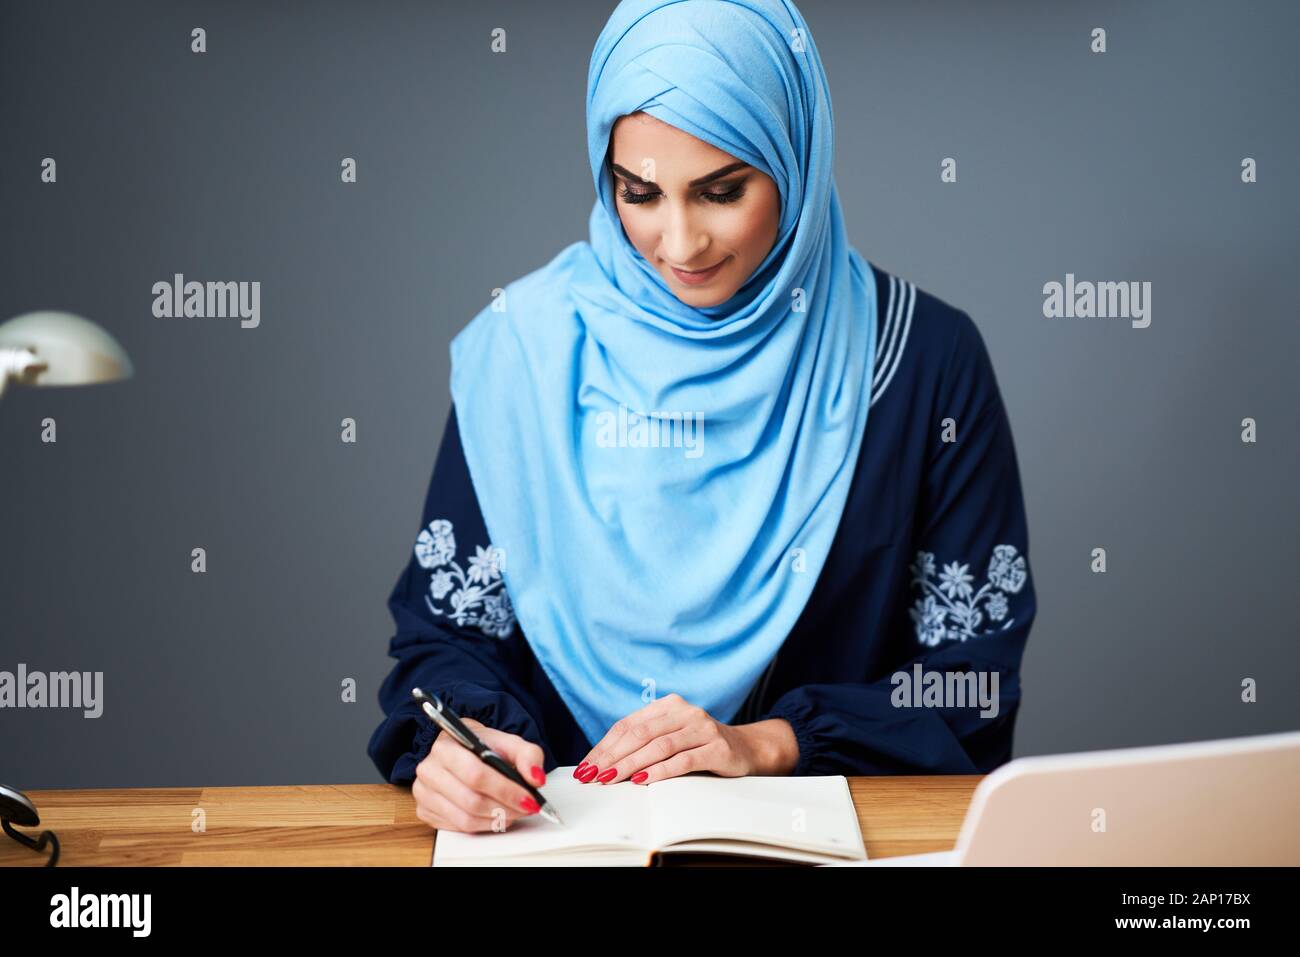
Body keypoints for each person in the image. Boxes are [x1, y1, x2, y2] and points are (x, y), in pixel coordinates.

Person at [368, 0, 1036, 835]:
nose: (679, 244)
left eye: (722, 191)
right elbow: (447, 641)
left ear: (796, 162)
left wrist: (771, 743)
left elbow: (969, 682)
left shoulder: (922, 360)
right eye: (638, 192)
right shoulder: (523, 355)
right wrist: (464, 753)